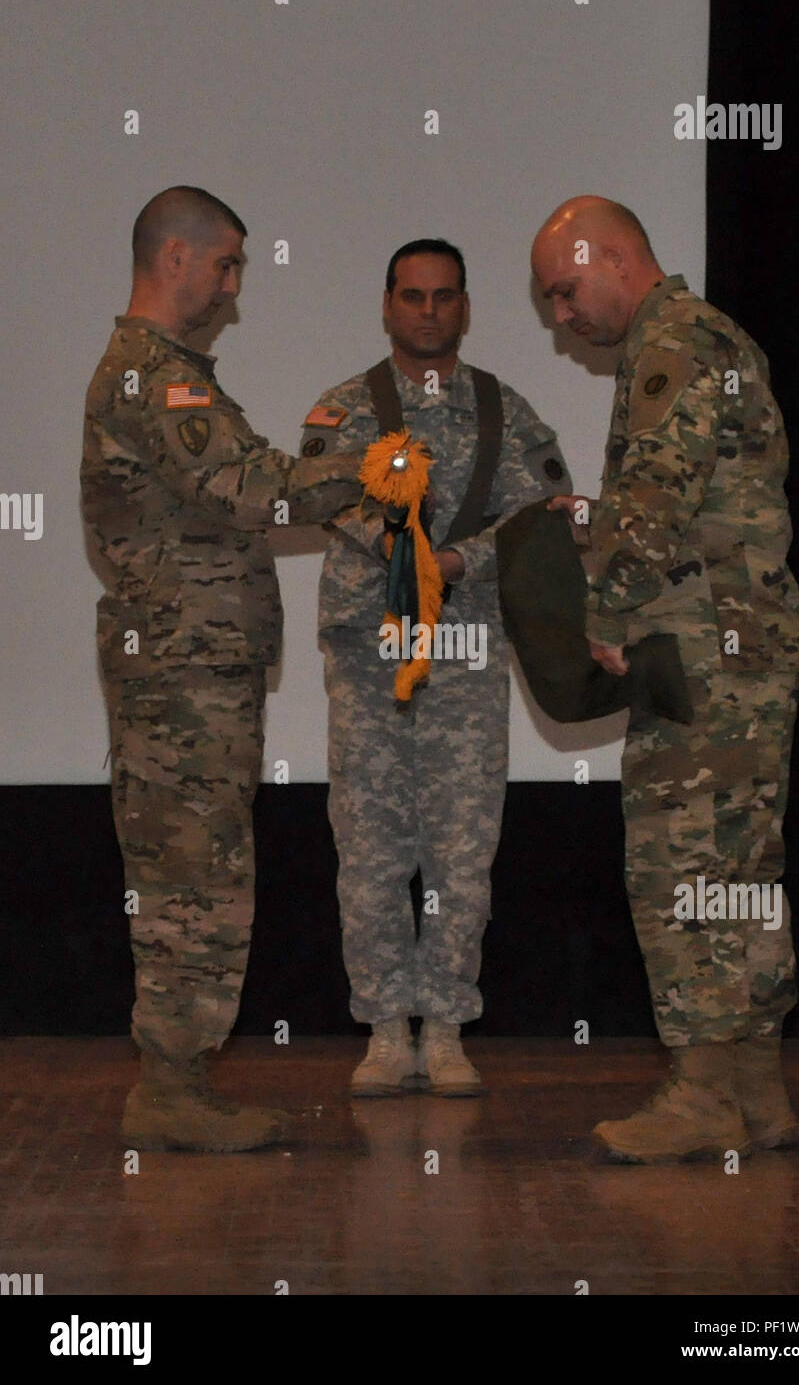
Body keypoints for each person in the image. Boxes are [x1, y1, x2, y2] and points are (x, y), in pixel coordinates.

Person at [81, 186, 363, 1151]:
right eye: (227, 264)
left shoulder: (171, 375)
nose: (236, 287)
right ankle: (169, 1087)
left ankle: (179, 1083)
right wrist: (365, 468)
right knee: (188, 876)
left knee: (203, 867)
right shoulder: (155, 380)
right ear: (174, 258)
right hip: (178, 681)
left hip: (194, 676)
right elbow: (254, 489)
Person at [532, 196, 799, 1162]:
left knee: (680, 865)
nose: (564, 316)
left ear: (610, 256)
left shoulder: (671, 342)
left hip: (697, 650)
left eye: (565, 290)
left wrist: (606, 616)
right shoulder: (716, 335)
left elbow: (653, 498)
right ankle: (756, 1089)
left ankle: (700, 1091)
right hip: (750, 641)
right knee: (740, 867)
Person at [301, 238, 571, 1096]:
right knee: (371, 845)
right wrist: (398, 551)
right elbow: (315, 493)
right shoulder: (343, 409)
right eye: (412, 296)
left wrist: (455, 564)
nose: (427, 311)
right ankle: (385, 1028)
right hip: (372, 648)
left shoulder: (504, 411)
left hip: (465, 648)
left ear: (464, 308)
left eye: (443, 297)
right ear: (387, 305)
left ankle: (447, 1026)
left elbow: (542, 517)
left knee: (461, 849)